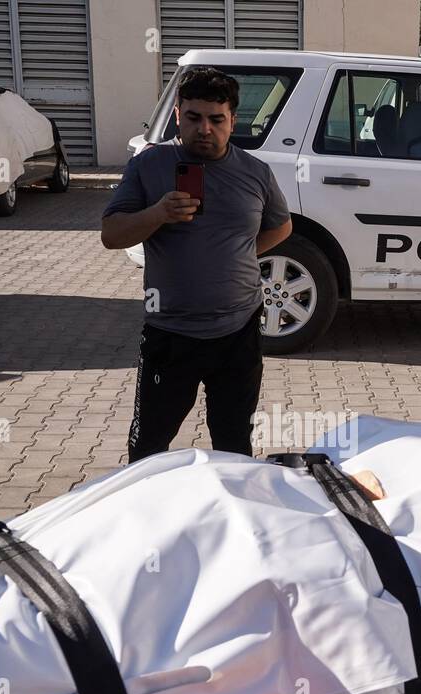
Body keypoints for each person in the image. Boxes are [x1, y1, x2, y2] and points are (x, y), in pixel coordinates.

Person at [101, 68, 293, 462]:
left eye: (216, 119)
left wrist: (239, 256)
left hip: (238, 331)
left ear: (233, 121)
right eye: (193, 118)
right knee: (149, 445)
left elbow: (281, 226)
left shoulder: (256, 172)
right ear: (177, 116)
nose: (204, 129)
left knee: (234, 441)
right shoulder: (149, 165)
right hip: (170, 332)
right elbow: (111, 235)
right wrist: (157, 213)